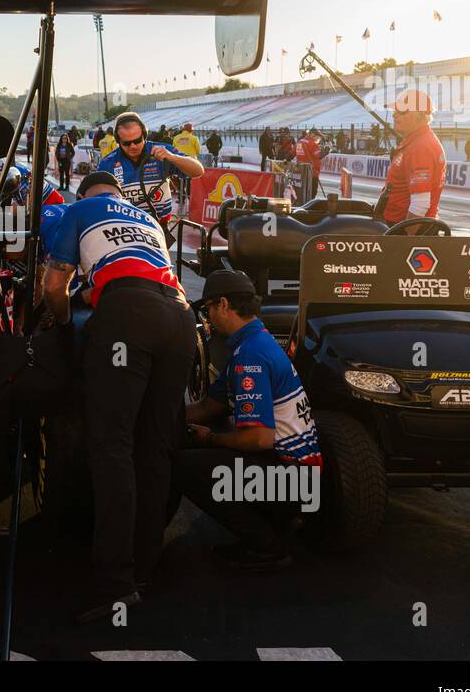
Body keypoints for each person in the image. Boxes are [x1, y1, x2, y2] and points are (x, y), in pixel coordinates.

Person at [41, 170, 195, 623]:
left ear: (85, 195)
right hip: (180, 316)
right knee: (156, 447)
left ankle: (115, 586)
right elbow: (130, 270)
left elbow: (54, 287)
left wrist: (65, 324)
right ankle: (145, 571)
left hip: (128, 314)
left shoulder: (78, 210)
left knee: (113, 447)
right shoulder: (147, 220)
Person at [174, 270, 321, 571]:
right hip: (296, 476)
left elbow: (259, 439)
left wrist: (210, 439)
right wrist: (158, 418)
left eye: (208, 309)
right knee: (209, 439)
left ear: (224, 304)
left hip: (291, 483)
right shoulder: (255, 340)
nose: (208, 317)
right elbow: (209, 407)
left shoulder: (250, 356)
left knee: (183, 467)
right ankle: (280, 520)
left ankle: (267, 546)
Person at [97, 111, 204, 237]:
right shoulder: (107, 163)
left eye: (137, 141)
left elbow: (198, 171)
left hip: (159, 228)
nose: (133, 146)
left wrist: (172, 157)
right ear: (118, 141)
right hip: (123, 229)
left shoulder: (162, 151)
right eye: (126, 143)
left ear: (144, 134)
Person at [380, 89, 446, 226]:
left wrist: (406, 241)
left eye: (402, 111)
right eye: (395, 110)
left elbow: (420, 204)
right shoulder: (413, 140)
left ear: (419, 115)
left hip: (405, 229)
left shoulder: (421, 146)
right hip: (398, 224)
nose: (394, 115)